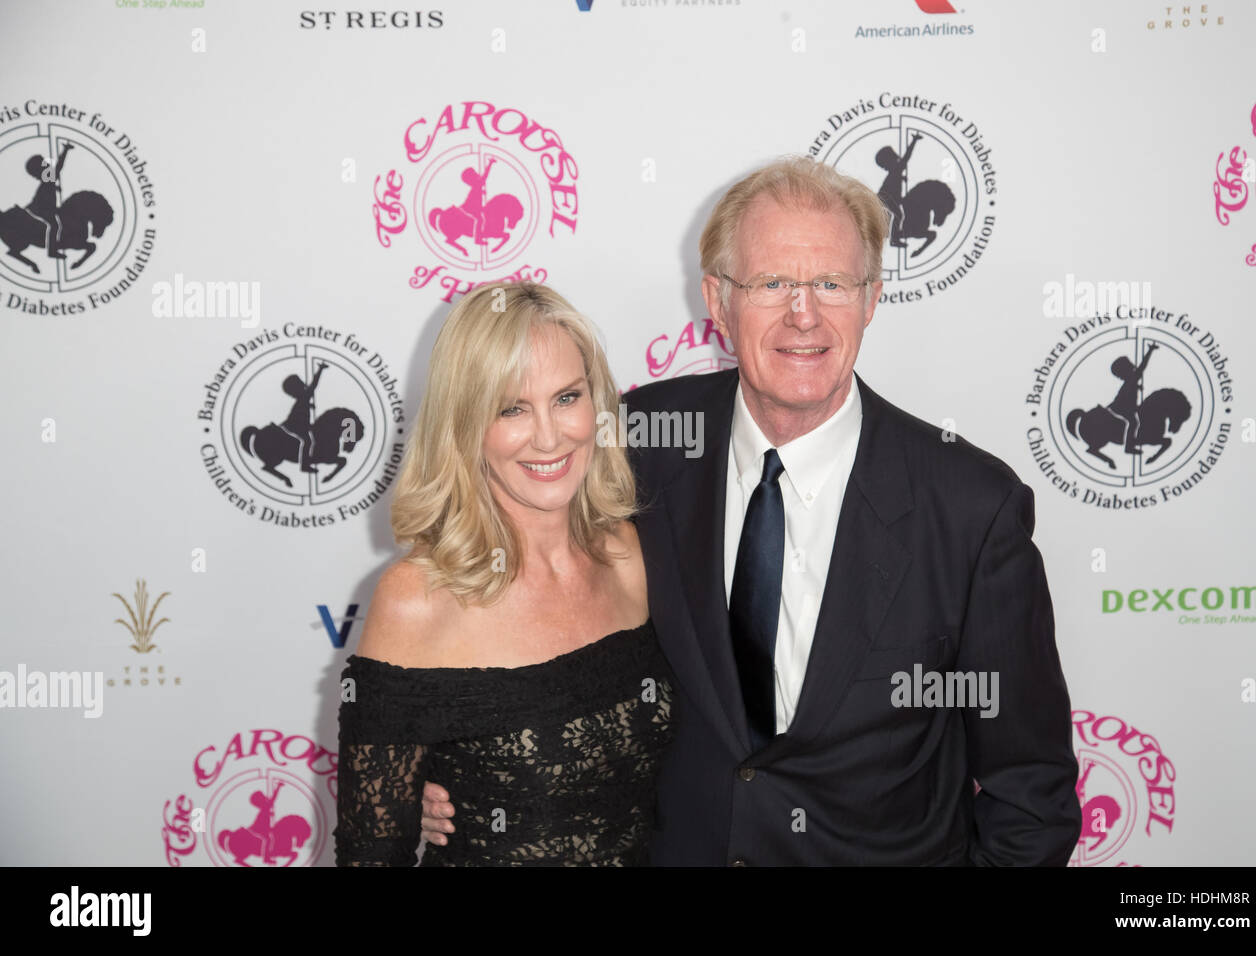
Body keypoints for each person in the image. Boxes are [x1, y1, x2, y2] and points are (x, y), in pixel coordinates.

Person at [424, 157, 1083, 865]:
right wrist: (452, 764)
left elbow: (1030, 794)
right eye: (772, 284)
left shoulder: (970, 508)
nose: (805, 315)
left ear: (871, 298)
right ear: (717, 299)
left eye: (832, 283)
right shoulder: (634, 439)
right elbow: (501, 567)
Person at [334, 281, 675, 866]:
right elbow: (370, 857)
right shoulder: (419, 596)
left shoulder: (626, 551)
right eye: (511, 408)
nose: (549, 435)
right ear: (466, 425)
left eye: (567, 398)